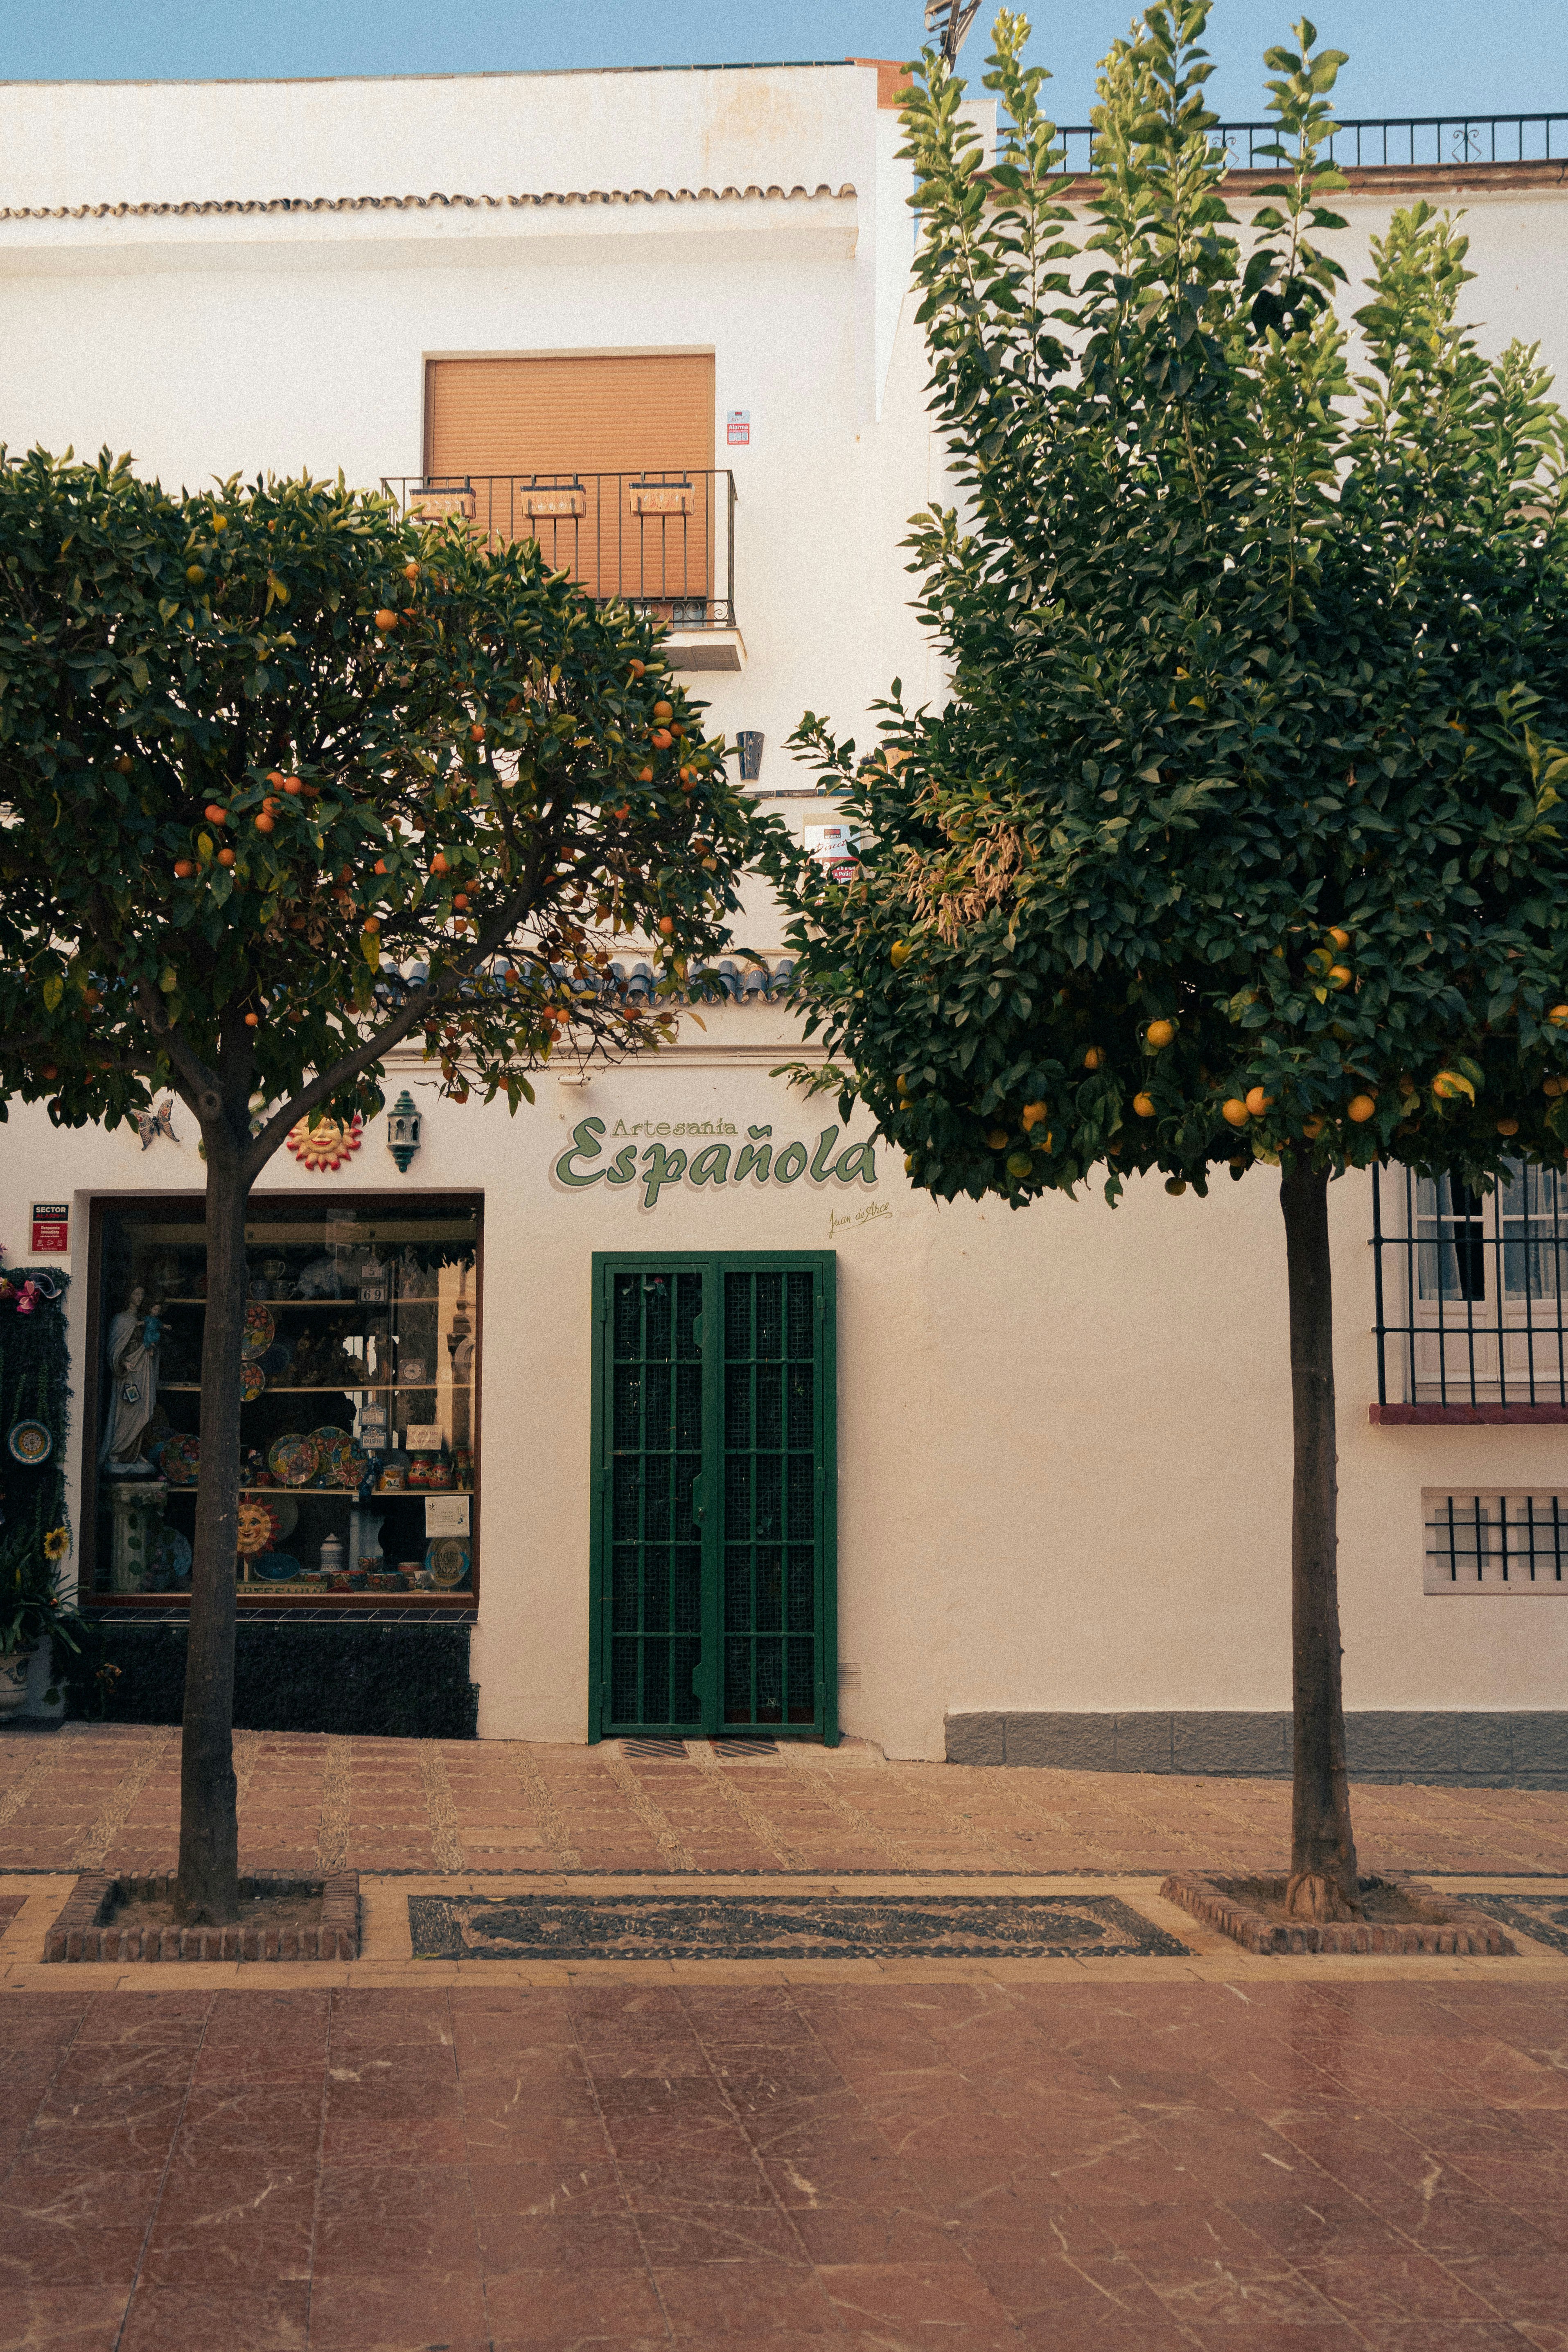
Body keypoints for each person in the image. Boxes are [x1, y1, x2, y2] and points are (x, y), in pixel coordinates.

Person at [99, 1286, 164, 1472]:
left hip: (143, 1369)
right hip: (128, 1373)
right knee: (127, 1409)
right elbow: (113, 1348)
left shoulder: (146, 1320)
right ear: (128, 1296)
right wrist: (121, 1362)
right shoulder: (122, 1320)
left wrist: (151, 1348)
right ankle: (117, 1450)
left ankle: (134, 1453)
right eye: (136, 1294)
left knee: (143, 1410)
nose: (140, 1298)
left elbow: (152, 1340)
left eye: (143, 1294)